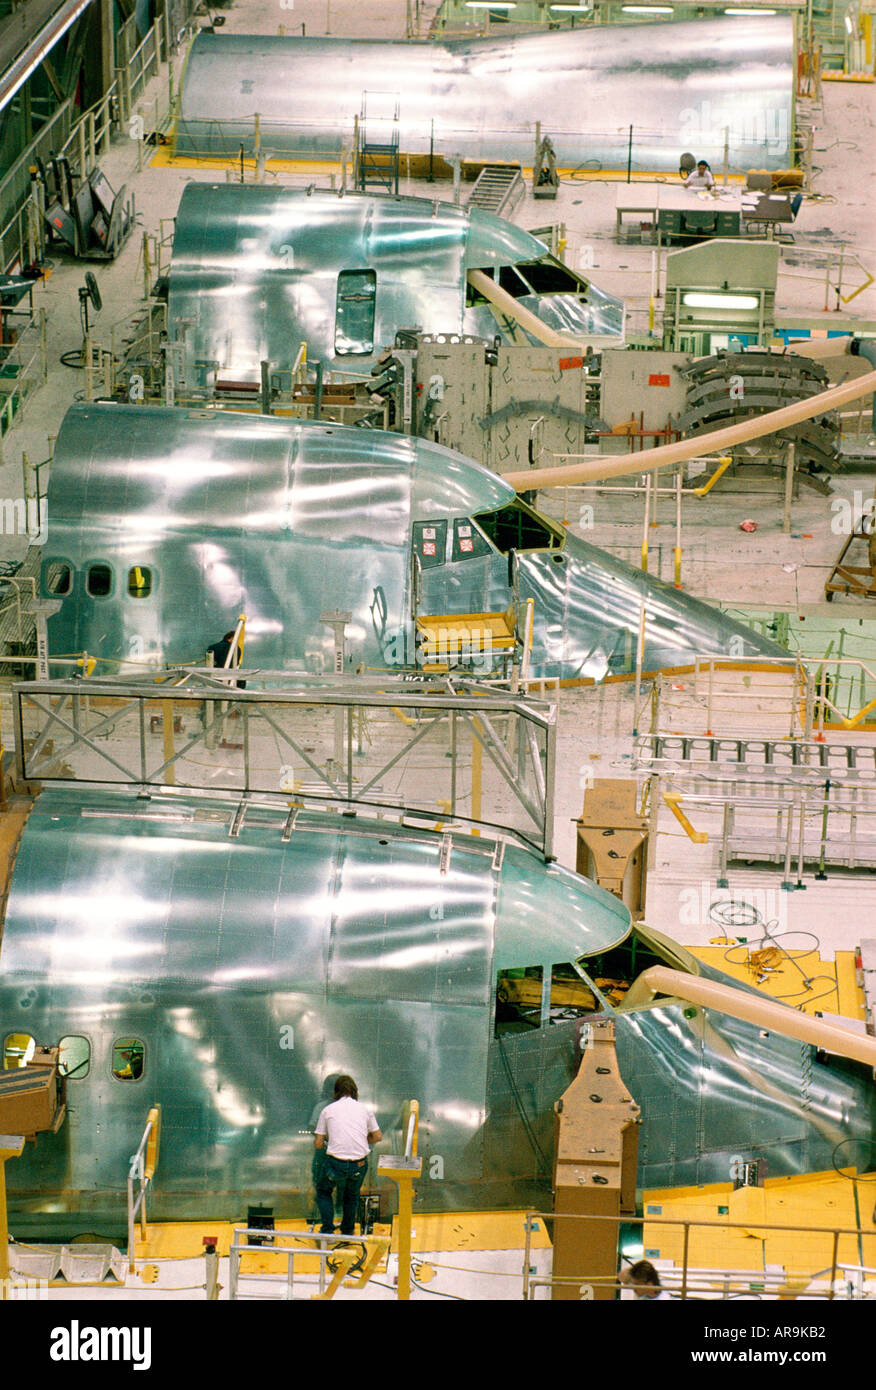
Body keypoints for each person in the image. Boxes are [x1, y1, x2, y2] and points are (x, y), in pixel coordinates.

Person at [314, 1075, 382, 1237]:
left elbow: (318, 1143)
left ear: (336, 1092)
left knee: (324, 1192)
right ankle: (348, 1230)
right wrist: (363, 1140)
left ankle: (328, 1231)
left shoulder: (327, 1110)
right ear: (354, 1091)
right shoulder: (365, 1110)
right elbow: (378, 1136)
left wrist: (330, 1143)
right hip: (359, 1164)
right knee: (351, 1195)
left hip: (335, 1163)